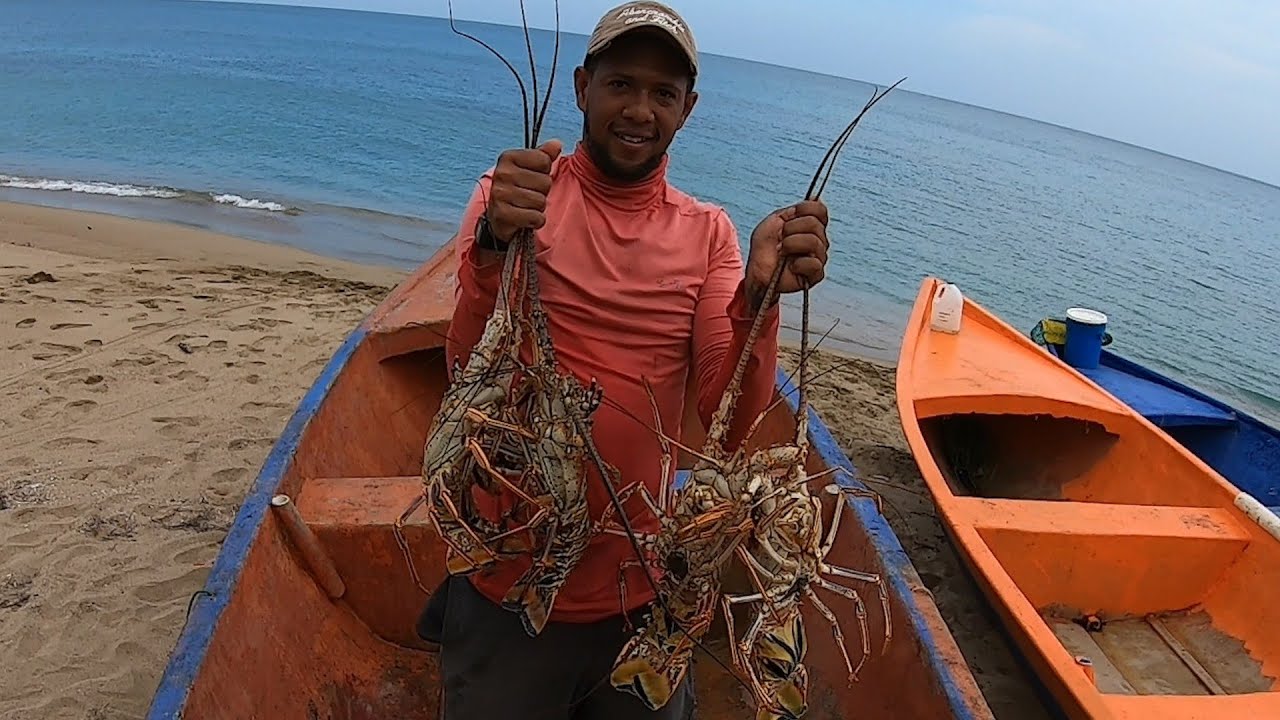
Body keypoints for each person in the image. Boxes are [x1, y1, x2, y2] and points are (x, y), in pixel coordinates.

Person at [419, 2, 831, 718]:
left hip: (645, 589)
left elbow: (728, 427)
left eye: (663, 93)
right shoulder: (513, 197)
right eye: (621, 84)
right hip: (506, 575)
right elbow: (468, 372)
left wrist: (761, 301)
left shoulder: (709, 235)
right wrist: (492, 243)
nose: (640, 109)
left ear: (687, 110)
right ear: (582, 87)